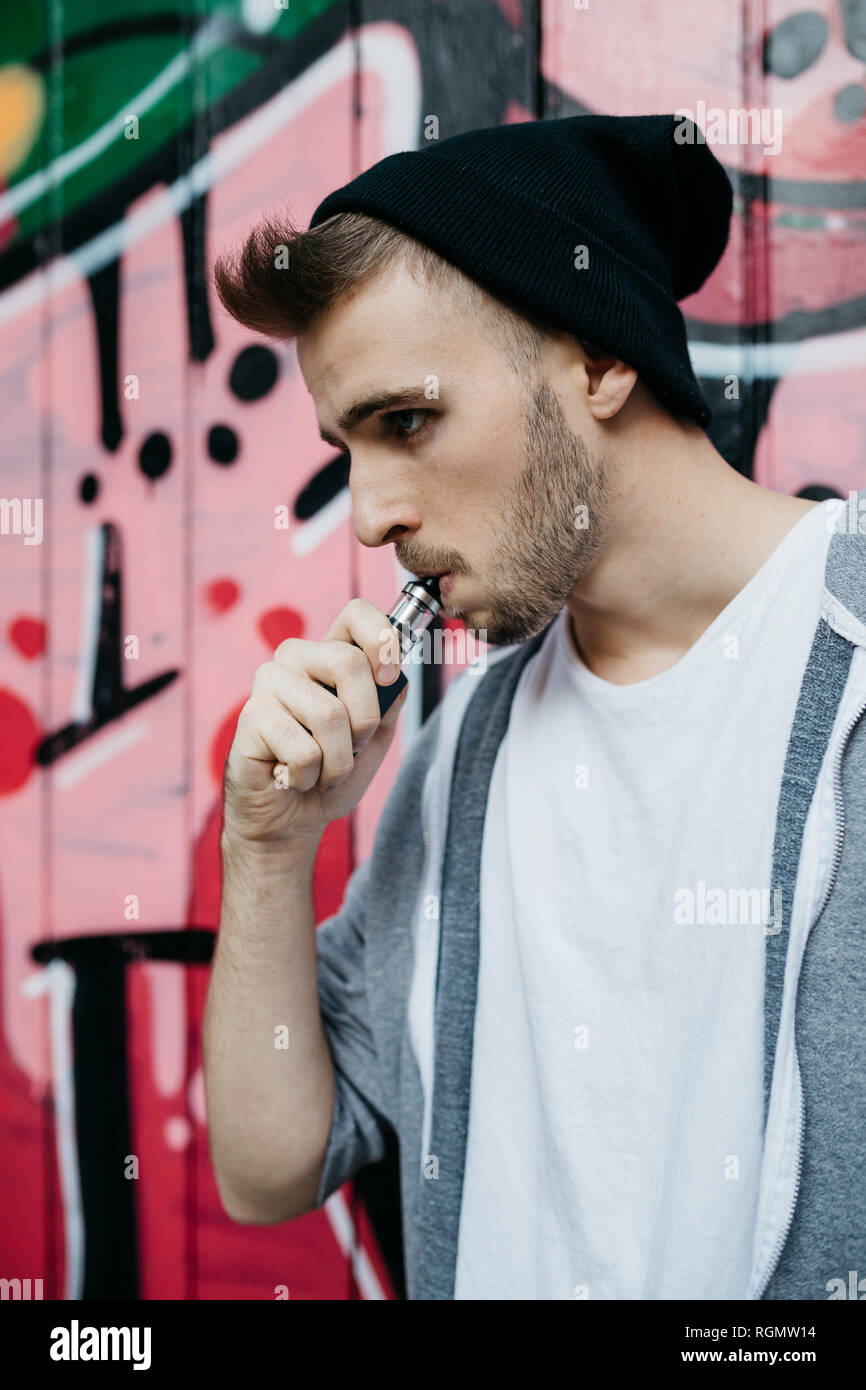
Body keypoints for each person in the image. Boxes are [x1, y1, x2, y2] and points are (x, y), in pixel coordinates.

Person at [202, 114, 866, 1301]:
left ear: (600, 357)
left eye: (406, 421)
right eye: (346, 446)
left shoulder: (851, 657)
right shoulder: (467, 742)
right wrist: (267, 848)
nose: (366, 515)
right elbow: (269, 1168)